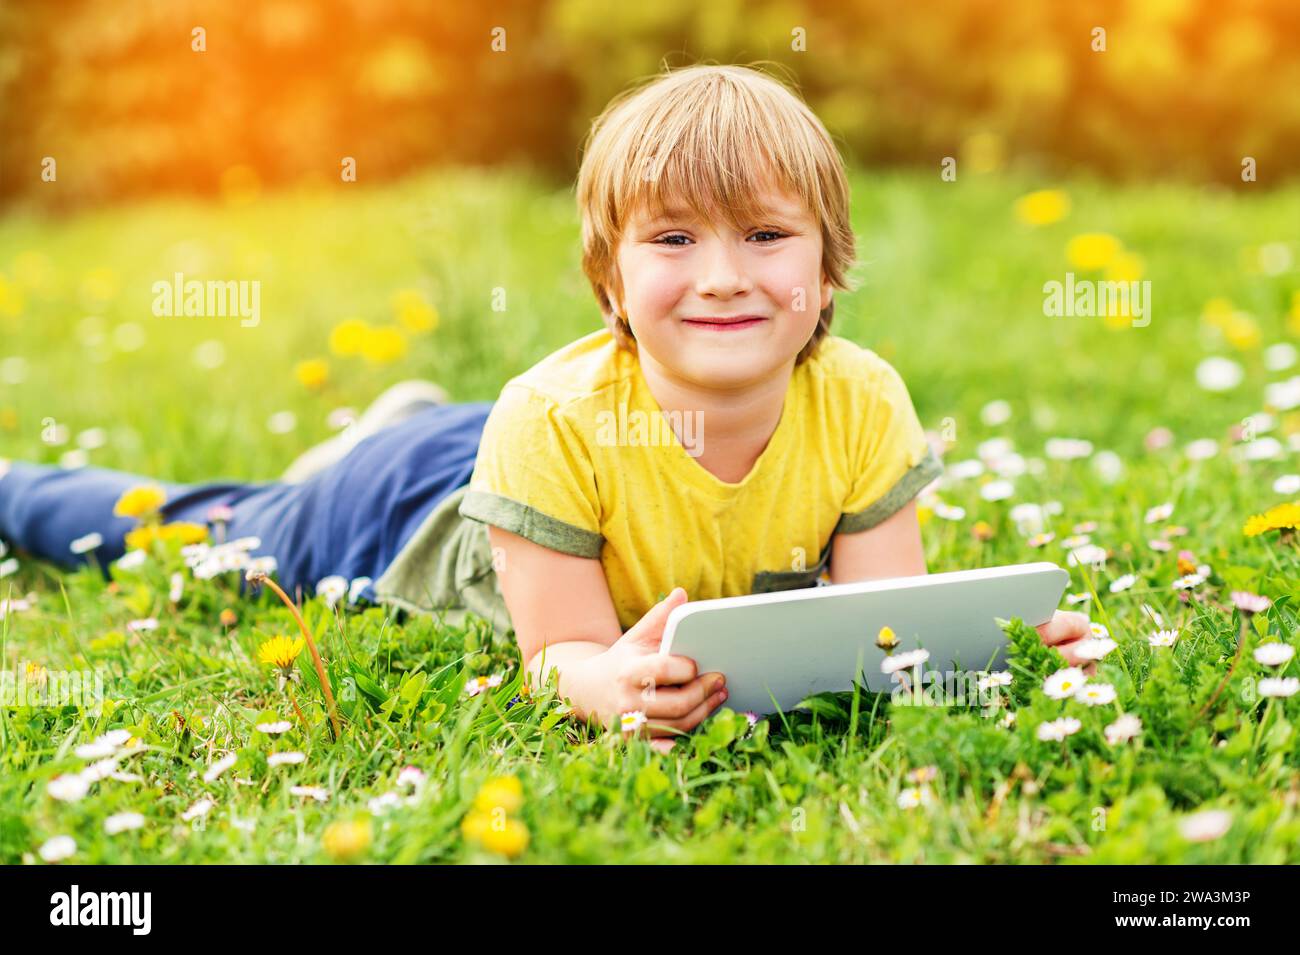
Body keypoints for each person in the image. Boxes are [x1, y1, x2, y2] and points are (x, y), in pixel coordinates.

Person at [0, 64, 1093, 752]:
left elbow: (876, 631)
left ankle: (397, 419)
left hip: (513, 463)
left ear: (829, 265)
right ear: (610, 280)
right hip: (402, 511)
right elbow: (556, 653)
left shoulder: (860, 400)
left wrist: (992, 650)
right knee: (193, 528)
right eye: (672, 239)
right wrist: (601, 682)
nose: (722, 276)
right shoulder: (554, 414)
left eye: (764, 236)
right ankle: (27, 488)